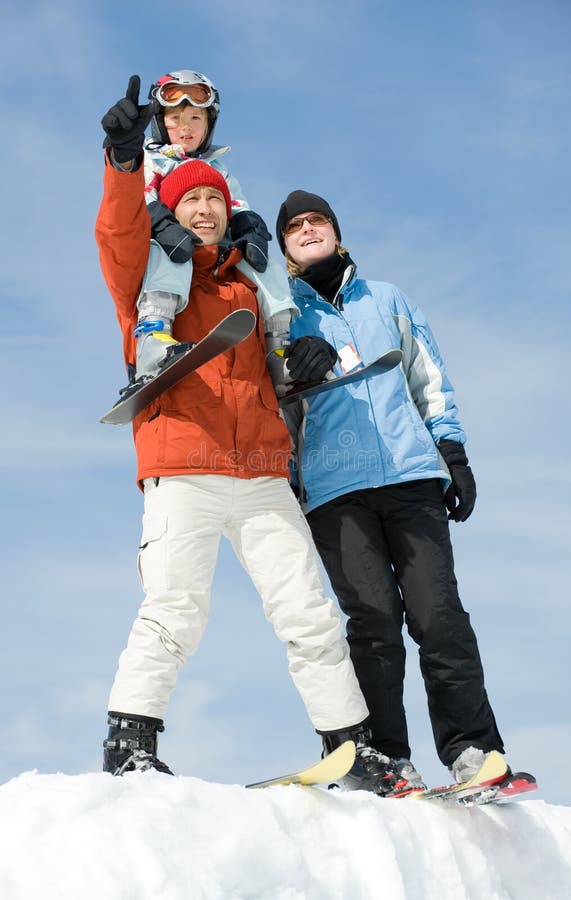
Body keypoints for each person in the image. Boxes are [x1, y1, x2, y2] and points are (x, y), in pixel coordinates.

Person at [95, 80, 401, 796]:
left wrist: (307, 355)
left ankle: (349, 745)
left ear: (226, 209)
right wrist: (119, 159)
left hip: (261, 473)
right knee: (174, 608)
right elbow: (115, 231)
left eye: (213, 201)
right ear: (172, 208)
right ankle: (130, 742)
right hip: (184, 466)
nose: (202, 209)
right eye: (189, 200)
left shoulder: (252, 289)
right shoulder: (146, 280)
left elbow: (287, 352)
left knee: (308, 611)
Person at [276, 189, 507, 787]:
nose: (306, 228)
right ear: (282, 246)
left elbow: (428, 377)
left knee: (439, 616)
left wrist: (451, 451)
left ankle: (472, 751)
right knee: (373, 624)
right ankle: (384, 757)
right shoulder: (281, 312)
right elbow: (272, 410)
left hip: (410, 477)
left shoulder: (387, 300)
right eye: (294, 226)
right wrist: (285, 373)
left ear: (336, 231)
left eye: (316, 220)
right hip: (334, 492)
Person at [106, 71, 296, 400]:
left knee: (269, 271)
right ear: (160, 123)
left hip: (218, 257)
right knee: (168, 257)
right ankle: (153, 337)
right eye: (176, 118)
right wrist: (161, 221)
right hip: (170, 247)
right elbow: (140, 199)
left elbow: (236, 204)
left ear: (209, 124)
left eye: (196, 117)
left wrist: (250, 227)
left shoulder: (218, 169)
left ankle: (279, 348)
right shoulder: (151, 159)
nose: (186, 126)